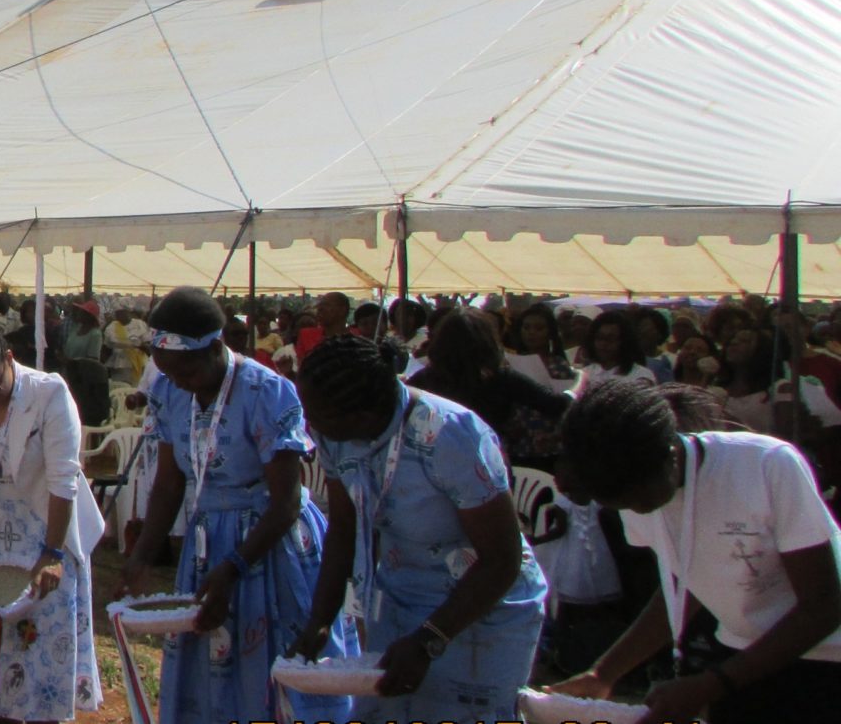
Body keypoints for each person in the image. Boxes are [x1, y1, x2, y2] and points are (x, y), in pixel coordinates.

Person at [123, 287, 357, 723]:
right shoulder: (171, 391)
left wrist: (234, 566)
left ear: (215, 348)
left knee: (272, 668)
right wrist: (142, 554)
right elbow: (170, 484)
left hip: (269, 544)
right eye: (169, 375)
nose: (179, 383)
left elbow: (286, 501)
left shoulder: (267, 392)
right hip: (209, 539)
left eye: (186, 373)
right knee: (210, 666)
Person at [548, 380, 841, 722]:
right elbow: (682, 584)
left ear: (670, 456)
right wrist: (605, 673)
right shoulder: (625, 481)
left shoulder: (767, 464)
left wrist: (710, 684)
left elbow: (824, 605)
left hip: (825, 658)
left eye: (641, 498)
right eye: (621, 504)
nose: (639, 509)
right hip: (742, 654)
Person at [291, 335, 547, 720]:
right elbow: (344, 529)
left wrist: (430, 640)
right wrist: (321, 620)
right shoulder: (335, 435)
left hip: (480, 608)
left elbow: (501, 560)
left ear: (361, 415)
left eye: (318, 415)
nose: (309, 424)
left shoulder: (451, 436)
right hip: (401, 598)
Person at [0, 324, 102, 723]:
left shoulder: (49, 394)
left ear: (9, 359)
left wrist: (53, 553)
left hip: (46, 528)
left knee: (40, 651)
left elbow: (64, 481)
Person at [409, 311, 572, 471]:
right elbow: (556, 405)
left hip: (436, 463)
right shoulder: (500, 377)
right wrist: (579, 383)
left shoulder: (424, 379)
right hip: (487, 465)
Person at [579, 311, 655, 394]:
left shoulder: (641, 375)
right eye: (599, 338)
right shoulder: (584, 374)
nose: (603, 344)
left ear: (625, 341)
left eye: (610, 339)